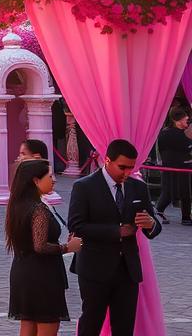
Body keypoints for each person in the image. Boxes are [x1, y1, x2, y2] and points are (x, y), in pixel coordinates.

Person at [68, 138, 162, 336]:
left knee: (124, 327)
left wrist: (151, 224)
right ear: (107, 160)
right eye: (122, 167)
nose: (127, 172)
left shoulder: (138, 187)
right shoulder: (84, 187)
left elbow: (152, 224)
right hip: (94, 269)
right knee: (91, 323)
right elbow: (76, 225)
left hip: (128, 271)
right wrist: (115, 231)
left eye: (131, 168)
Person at [6, 159, 79, 335]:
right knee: (46, 326)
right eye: (50, 175)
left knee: (28, 324)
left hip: (23, 272)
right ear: (36, 180)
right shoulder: (38, 209)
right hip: (42, 275)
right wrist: (68, 247)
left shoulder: (18, 205)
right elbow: (40, 246)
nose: (53, 179)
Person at [155, 108, 192, 225]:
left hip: (182, 166)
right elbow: (186, 146)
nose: (187, 119)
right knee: (170, 192)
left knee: (184, 192)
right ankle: (158, 211)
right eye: (185, 117)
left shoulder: (171, 133)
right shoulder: (170, 134)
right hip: (173, 167)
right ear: (177, 120)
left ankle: (186, 217)